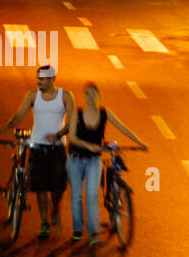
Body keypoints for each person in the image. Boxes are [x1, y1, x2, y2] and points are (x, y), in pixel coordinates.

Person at [62, 83, 148, 246]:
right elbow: (71, 138)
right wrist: (88, 145)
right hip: (75, 159)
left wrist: (139, 142)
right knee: (76, 195)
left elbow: (123, 127)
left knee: (92, 195)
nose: (91, 97)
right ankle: (78, 230)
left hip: (94, 160)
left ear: (99, 97)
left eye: (94, 94)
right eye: (88, 94)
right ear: (85, 97)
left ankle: (94, 233)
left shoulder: (105, 113)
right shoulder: (76, 114)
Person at [0, 65, 75, 240]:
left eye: (43, 79)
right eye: (38, 78)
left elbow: (72, 121)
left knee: (57, 187)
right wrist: (8, 126)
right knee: (40, 187)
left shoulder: (66, 96)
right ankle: (44, 223)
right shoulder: (32, 96)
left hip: (57, 147)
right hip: (37, 146)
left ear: (53, 79)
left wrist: (58, 135)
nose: (39, 82)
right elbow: (19, 114)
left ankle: (55, 210)